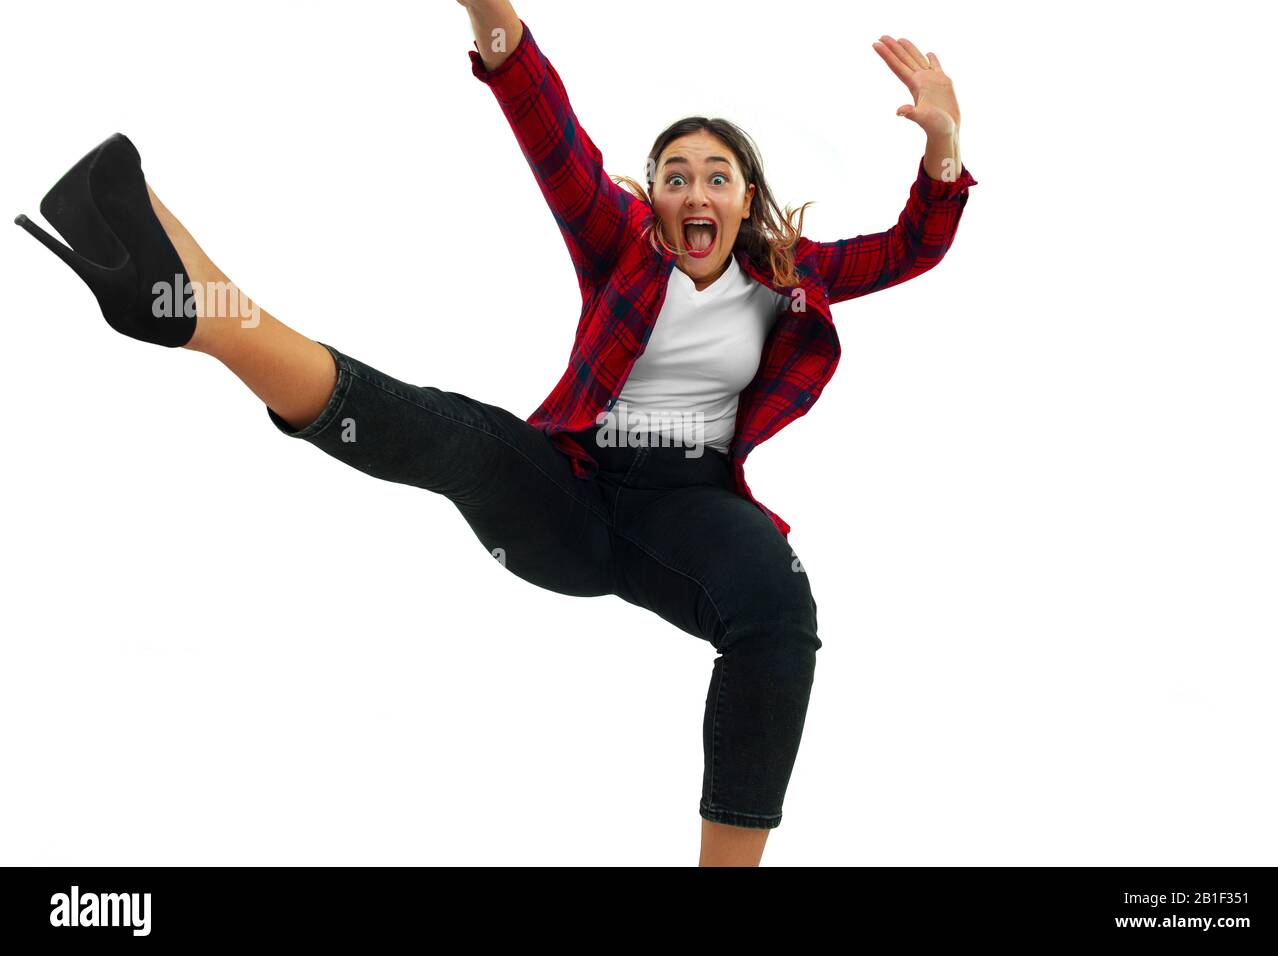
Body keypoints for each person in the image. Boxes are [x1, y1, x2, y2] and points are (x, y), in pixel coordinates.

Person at [14, 0, 977, 866]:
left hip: (689, 512)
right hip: (568, 492)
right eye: (674, 175)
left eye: (715, 178)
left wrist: (942, 145)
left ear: (744, 201)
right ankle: (197, 309)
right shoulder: (622, 241)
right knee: (456, 436)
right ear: (657, 198)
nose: (693, 192)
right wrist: (490, 10)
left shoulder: (789, 274)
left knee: (779, 611)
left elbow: (912, 248)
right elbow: (548, 128)